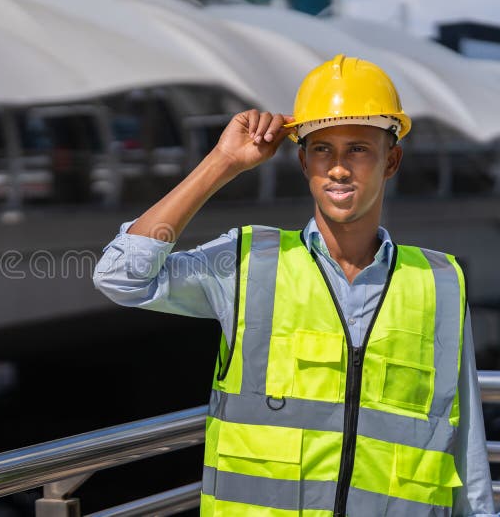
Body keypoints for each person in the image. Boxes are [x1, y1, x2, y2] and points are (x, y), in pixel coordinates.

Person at [92, 55, 496, 516]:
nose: (339, 168)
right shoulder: (248, 262)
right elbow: (121, 276)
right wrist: (222, 162)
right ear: (304, 161)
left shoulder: (440, 283)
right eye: (323, 149)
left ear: (392, 161)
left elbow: (464, 447)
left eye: (359, 149)